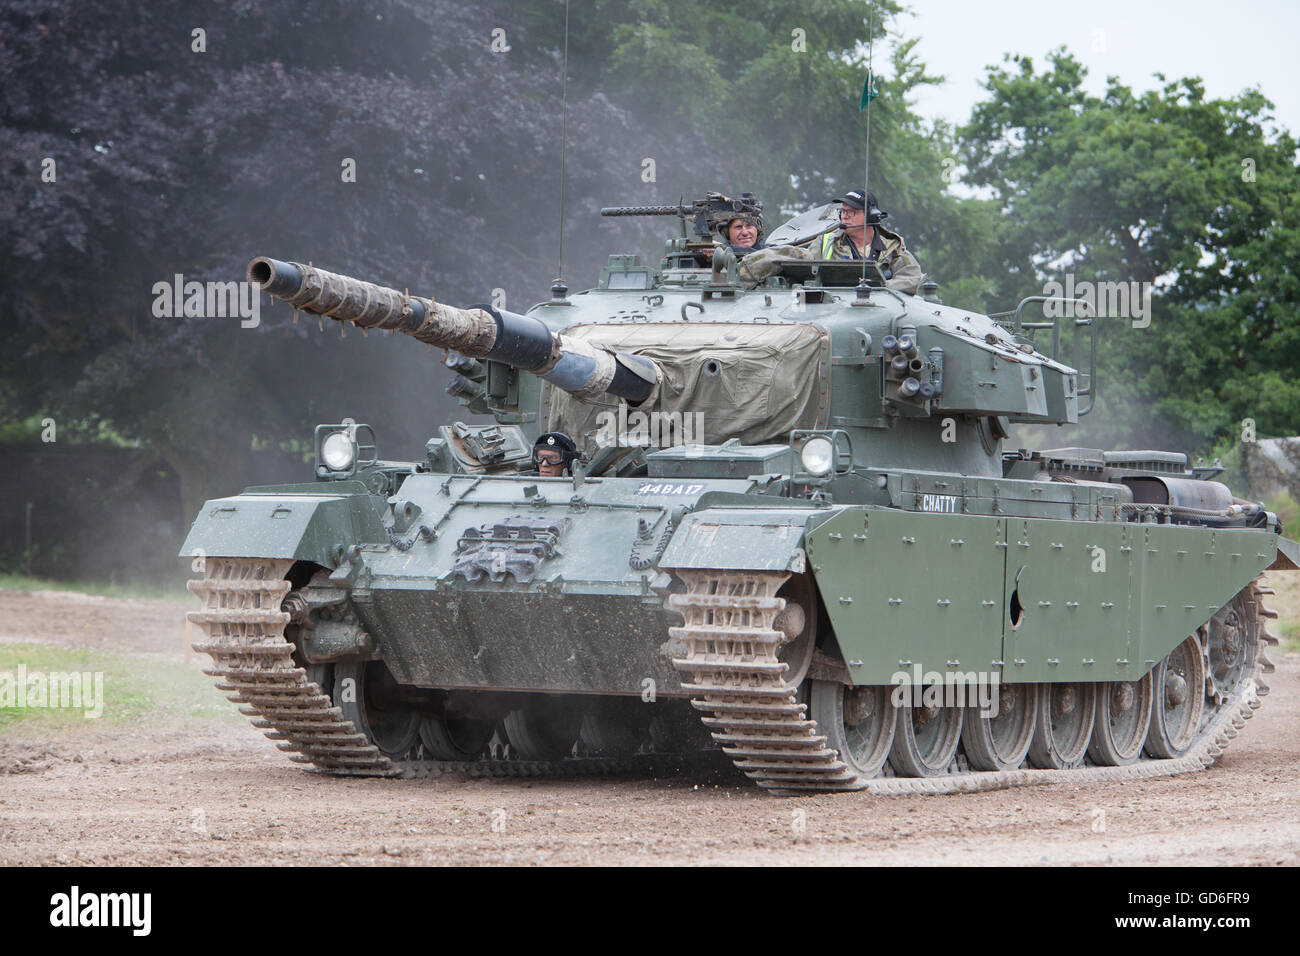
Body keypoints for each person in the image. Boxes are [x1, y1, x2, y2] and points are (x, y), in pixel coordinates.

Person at [807, 188, 922, 294]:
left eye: (851, 212)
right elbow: (805, 262)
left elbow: (912, 278)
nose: (844, 217)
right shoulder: (826, 242)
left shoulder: (892, 247)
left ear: (870, 216)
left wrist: (880, 286)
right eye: (843, 211)